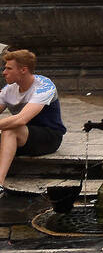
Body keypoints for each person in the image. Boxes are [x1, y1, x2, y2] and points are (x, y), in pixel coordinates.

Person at [0, 49, 66, 188]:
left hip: (49, 137)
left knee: (10, 129)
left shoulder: (45, 86)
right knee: (9, 129)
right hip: (23, 137)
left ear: (23, 70)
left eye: (8, 68)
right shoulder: (8, 89)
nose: (4, 72)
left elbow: (21, 120)